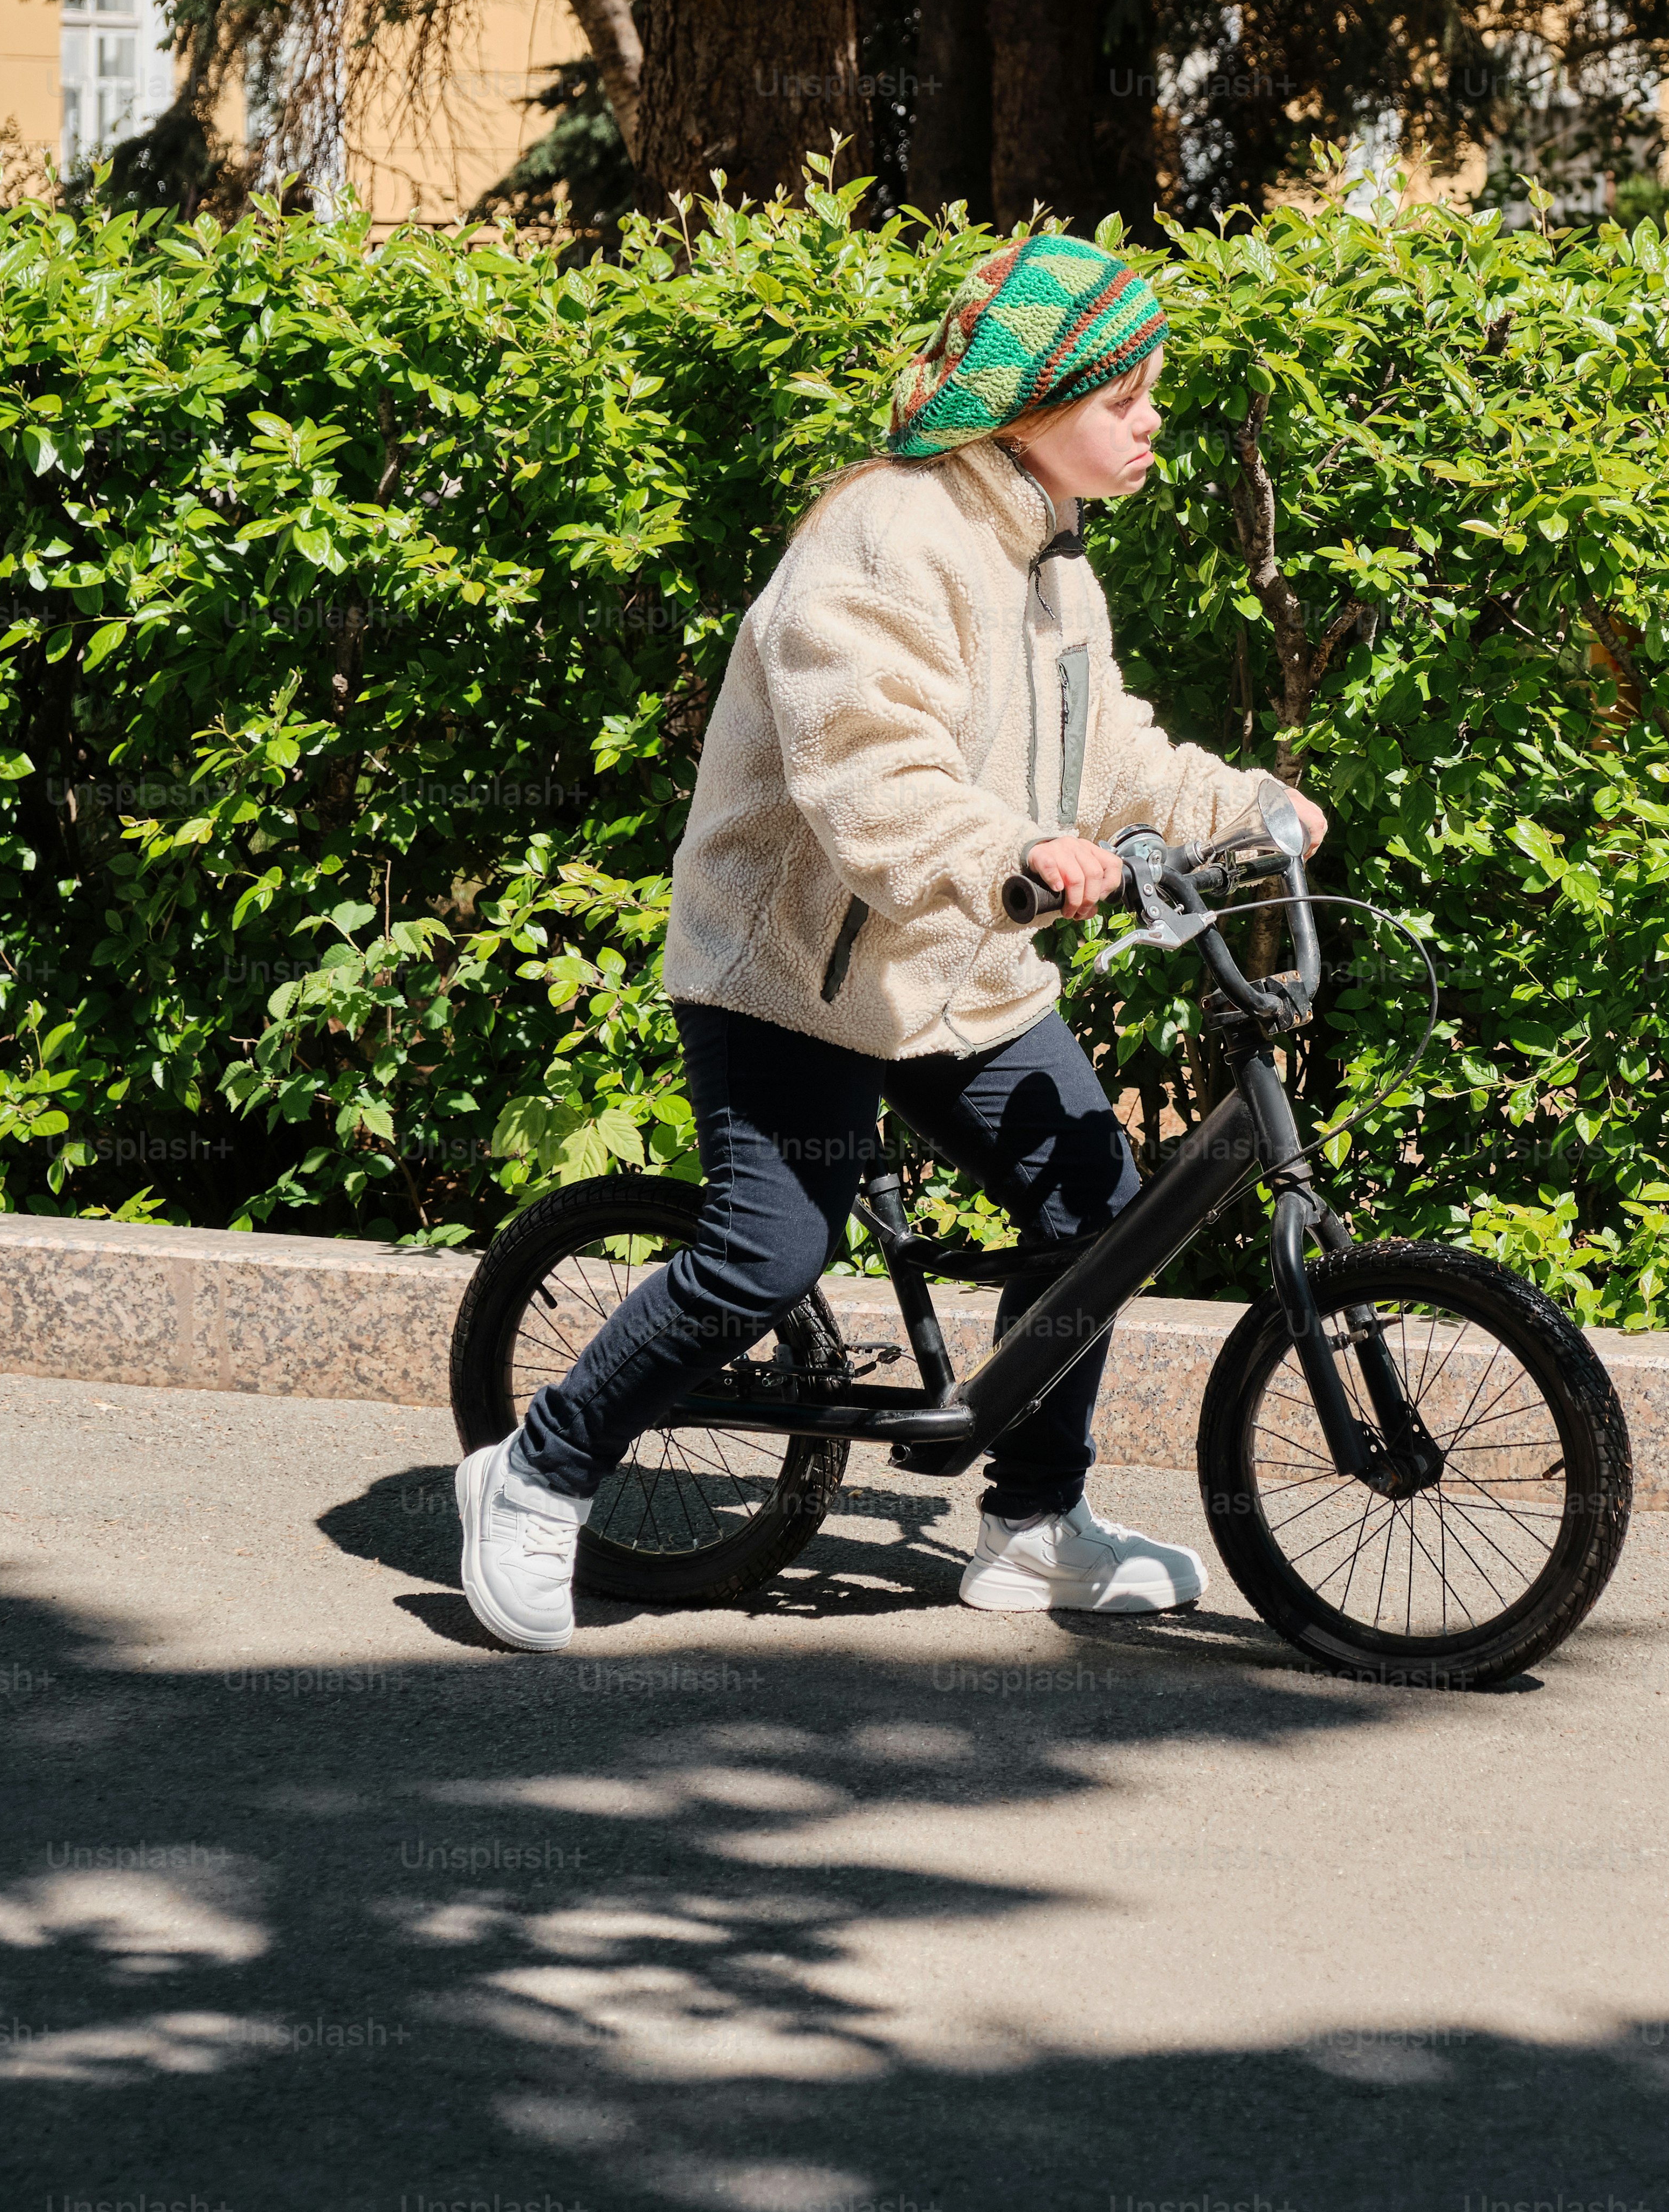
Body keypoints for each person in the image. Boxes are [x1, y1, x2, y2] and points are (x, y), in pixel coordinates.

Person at [456, 233, 1327, 1653]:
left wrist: (1243, 808)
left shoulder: (1053, 562)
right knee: (764, 1257)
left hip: (956, 970)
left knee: (1090, 1206)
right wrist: (1012, 855)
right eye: (1124, 396)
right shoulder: (885, 536)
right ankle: (538, 1471)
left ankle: (1032, 1526)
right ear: (1037, 401)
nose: (1151, 420)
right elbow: (870, 773)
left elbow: (1100, 747)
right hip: (793, 976)